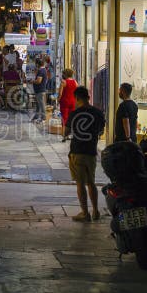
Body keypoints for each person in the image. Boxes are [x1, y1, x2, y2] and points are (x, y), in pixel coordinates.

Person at [65, 86, 106, 221]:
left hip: (77, 151)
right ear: (88, 97)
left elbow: (66, 132)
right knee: (91, 183)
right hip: (91, 152)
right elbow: (101, 131)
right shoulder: (98, 113)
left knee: (80, 184)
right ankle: (95, 211)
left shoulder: (74, 114)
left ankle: (84, 213)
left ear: (76, 98)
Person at [31, 58, 48, 122]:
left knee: (41, 104)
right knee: (38, 105)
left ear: (37, 64)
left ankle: (43, 118)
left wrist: (32, 81)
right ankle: (36, 116)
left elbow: (38, 81)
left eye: (36, 63)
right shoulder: (42, 70)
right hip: (39, 90)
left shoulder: (41, 71)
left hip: (40, 90)